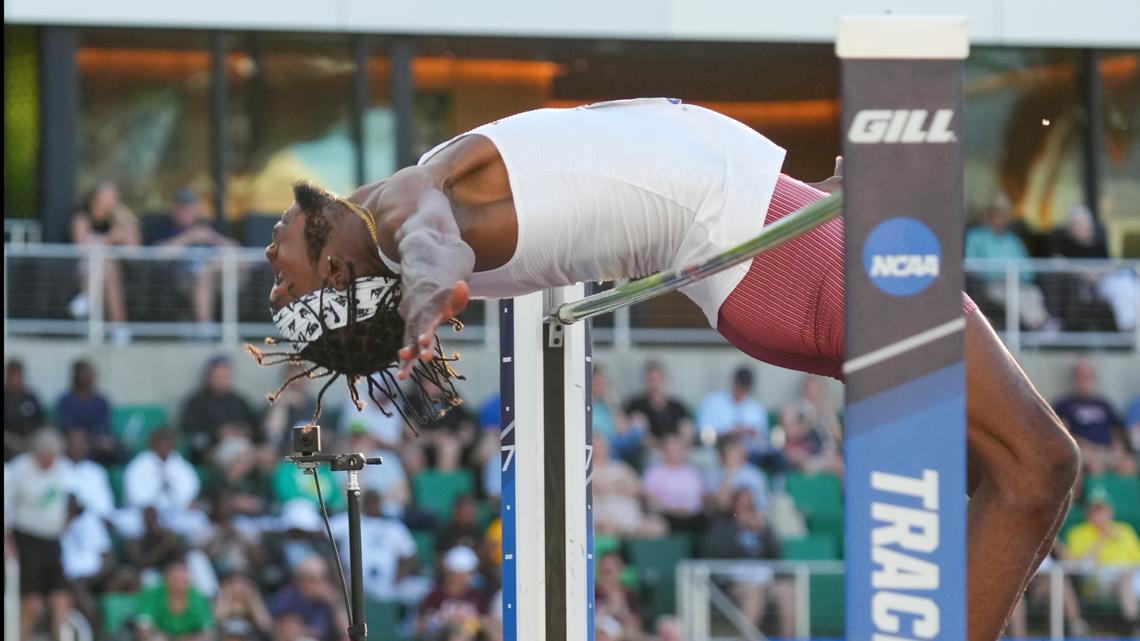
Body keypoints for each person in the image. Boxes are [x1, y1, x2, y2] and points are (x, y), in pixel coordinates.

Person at [259, 98, 1081, 641]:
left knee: (994, 471)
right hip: (778, 258)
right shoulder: (405, 209)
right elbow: (434, 242)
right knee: (1037, 465)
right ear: (334, 272)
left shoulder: (400, 206)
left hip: (769, 248)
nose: (268, 250)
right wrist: (428, 299)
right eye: (282, 273)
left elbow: (637, 171)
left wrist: (813, 195)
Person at [4, 429, 72, 641]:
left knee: (61, 598)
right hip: (27, 538)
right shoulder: (19, 470)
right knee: (31, 601)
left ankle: (59, 636)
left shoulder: (61, 468)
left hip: (52, 539)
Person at [703, 487, 793, 639]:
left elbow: (775, 554)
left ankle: (789, 637)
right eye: (742, 503)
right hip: (736, 579)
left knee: (787, 591)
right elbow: (722, 552)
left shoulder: (761, 524)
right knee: (754, 591)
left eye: (750, 503)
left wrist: (763, 532)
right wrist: (739, 525)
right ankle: (747, 637)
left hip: (764, 576)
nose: (746, 507)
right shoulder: (724, 523)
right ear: (734, 504)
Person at [964, 192, 1058, 331]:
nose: (1002, 218)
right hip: (992, 285)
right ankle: (1039, 327)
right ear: (989, 215)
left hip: (1017, 283)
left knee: (1033, 293)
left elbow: (1027, 269)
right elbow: (972, 263)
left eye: (1005, 215)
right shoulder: (976, 236)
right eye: (998, 214)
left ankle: (1043, 325)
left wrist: (1016, 275)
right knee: (1013, 296)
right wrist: (1001, 272)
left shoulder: (1012, 239)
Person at [150, 187, 241, 324]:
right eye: (181, 208)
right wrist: (188, 237)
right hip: (183, 277)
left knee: (212, 271)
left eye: (189, 208)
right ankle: (206, 329)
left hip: (218, 273)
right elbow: (155, 255)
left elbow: (240, 253)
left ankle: (229, 332)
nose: (185, 212)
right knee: (202, 275)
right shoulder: (165, 227)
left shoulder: (211, 226)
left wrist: (211, 237)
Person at [69, 180, 140, 344]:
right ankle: (119, 328)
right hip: (84, 269)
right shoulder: (82, 217)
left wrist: (127, 222)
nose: (112, 201)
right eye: (108, 196)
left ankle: (87, 296)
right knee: (105, 261)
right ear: (96, 197)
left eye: (114, 197)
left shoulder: (117, 219)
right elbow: (81, 249)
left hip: (113, 273)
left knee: (109, 269)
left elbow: (134, 253)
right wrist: (110, 238)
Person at [1064, 488, 1140, 636]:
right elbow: (1079, 567)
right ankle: (1135, 629)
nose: (1100, 514)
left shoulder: (1125, 530)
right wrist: (1102, 539)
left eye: (1103, 510)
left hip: (1132, 577)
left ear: (1110, 511)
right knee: (1125, 579)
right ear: (1088, 513)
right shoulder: (1078, 533)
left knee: (1128, 577)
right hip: (1098, 583)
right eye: (1095, 510)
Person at [1052, 358, 1135, 476]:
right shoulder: (1064, 405)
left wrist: (1118, 446)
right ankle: (1096, 494)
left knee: (1128, 464)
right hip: (1083, 451)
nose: (1085, 380)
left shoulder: (1103, 404)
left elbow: (1115, 430)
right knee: (1095, 465)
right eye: (1080, 376)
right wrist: (1087, 447)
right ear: (1074, 379)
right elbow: (1063, 433)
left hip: (1107, 450)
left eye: (1088, 376)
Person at [179, 354, 258, 464]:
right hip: (212, 450)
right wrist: (217, 433)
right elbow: (191, 434)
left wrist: (243, 431)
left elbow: (255, 427)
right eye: (218, 376)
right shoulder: (196, 402)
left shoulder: (239, 401)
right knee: (240, 460)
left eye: (225, 376)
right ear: (209, 376)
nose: (221, 380)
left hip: (243, 446)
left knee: (263, 456)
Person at [696, 366, 770, 460]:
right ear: (733, 382)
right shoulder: (711, 402)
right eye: (739, 387)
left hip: (749, 455)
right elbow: (704, 436)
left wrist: (753, 434)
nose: (742, 392)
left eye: (745, 389)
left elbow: (763, 441)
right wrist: (728, 433)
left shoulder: (756, 408)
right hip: (717, 451)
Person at [135, 556, 215, 641]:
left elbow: (207, 632)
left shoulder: (197, 598)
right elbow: (144, 628)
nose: (179, 585)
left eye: (183, 580)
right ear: (166, 579)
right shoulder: (152, 595)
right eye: (175, 580)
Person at [55, 358, 119, 464]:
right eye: (85, 373)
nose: (89, 377)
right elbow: (65, 427)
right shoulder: (65, 400)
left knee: (112, 447)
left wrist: (96, 439)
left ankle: (95, 476)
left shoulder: (101, 401)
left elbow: (105, 427)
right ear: (76, 376)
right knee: (73, 443)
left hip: (95, 444)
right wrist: (80, 439)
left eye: (91, 373)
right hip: (71, 443)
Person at [269, 555, 346, 641]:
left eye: (323, 579)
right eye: (313, 579)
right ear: (300, 580)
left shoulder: (326, 600)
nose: (319, 584)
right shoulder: (288, 596)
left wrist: (335, 603)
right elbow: (281, 629)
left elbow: (345, 631)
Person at [641, 434, 705, 533]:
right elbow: (649, 497)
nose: (673, 454)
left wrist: (685, 509)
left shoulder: (692, 472)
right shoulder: (654, 472)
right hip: (665, 515)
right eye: (670, 451)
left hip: (691, 516)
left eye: (676, 451)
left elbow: (700, 496)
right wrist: (671, 508)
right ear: (663, 452)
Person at [4, 358, 44, 461]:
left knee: (47, 441)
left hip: (29, 439)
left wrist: (34, 434)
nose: (16, 379)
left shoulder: (30, 396)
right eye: (13, 376)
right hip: (9, 439)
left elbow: (41, 421)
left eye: (19, 375)